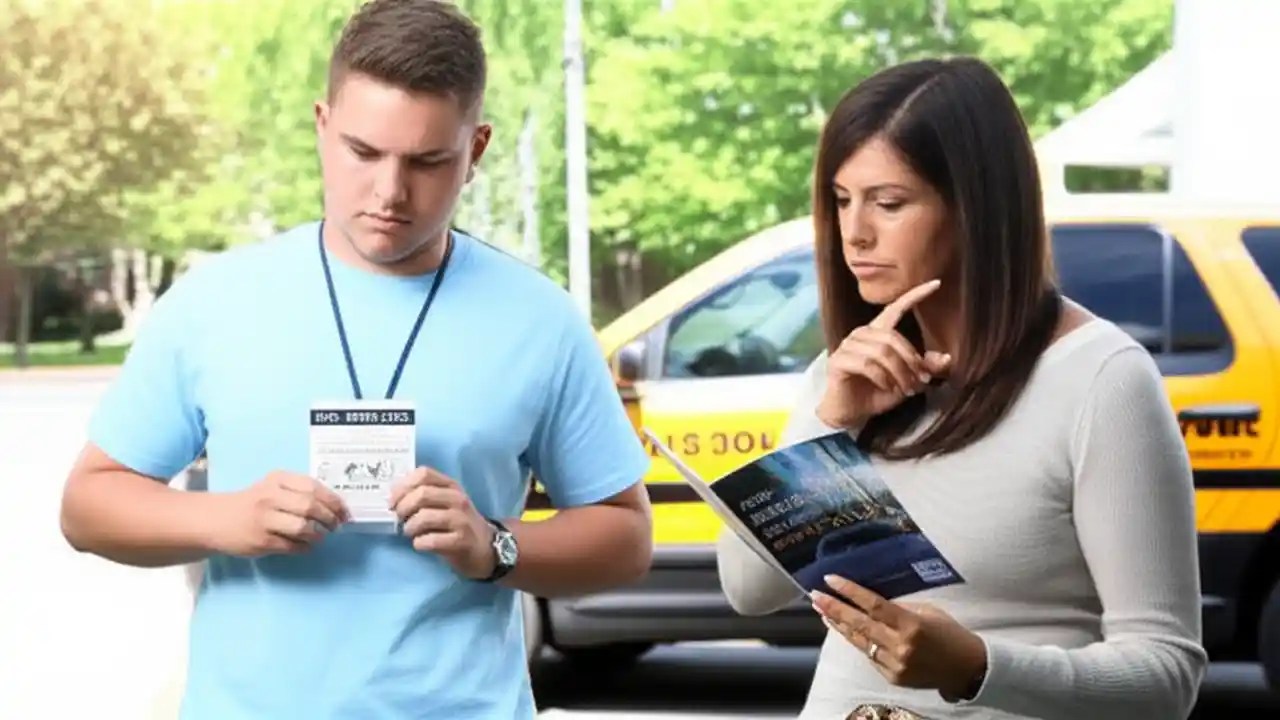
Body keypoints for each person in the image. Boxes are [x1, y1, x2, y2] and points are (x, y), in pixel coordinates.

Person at [58, 1, 653, 718]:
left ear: (477, 150)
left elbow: (626, 536)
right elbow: (87, 507)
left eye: (427, 161)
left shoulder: (543, 320)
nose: (389, 192)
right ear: (321, 126)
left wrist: (495, 546)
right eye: (363, 152)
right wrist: (224, 518)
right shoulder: (212, 302)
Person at [715, 56, 1206, 720]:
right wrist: (829, 421)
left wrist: (976, 666)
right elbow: (749, 590)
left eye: (889, 203)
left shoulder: (1100, 379)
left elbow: (1167, 676)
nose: (854, 233)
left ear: (975, 207)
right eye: (841, 200)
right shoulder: (847, 372)